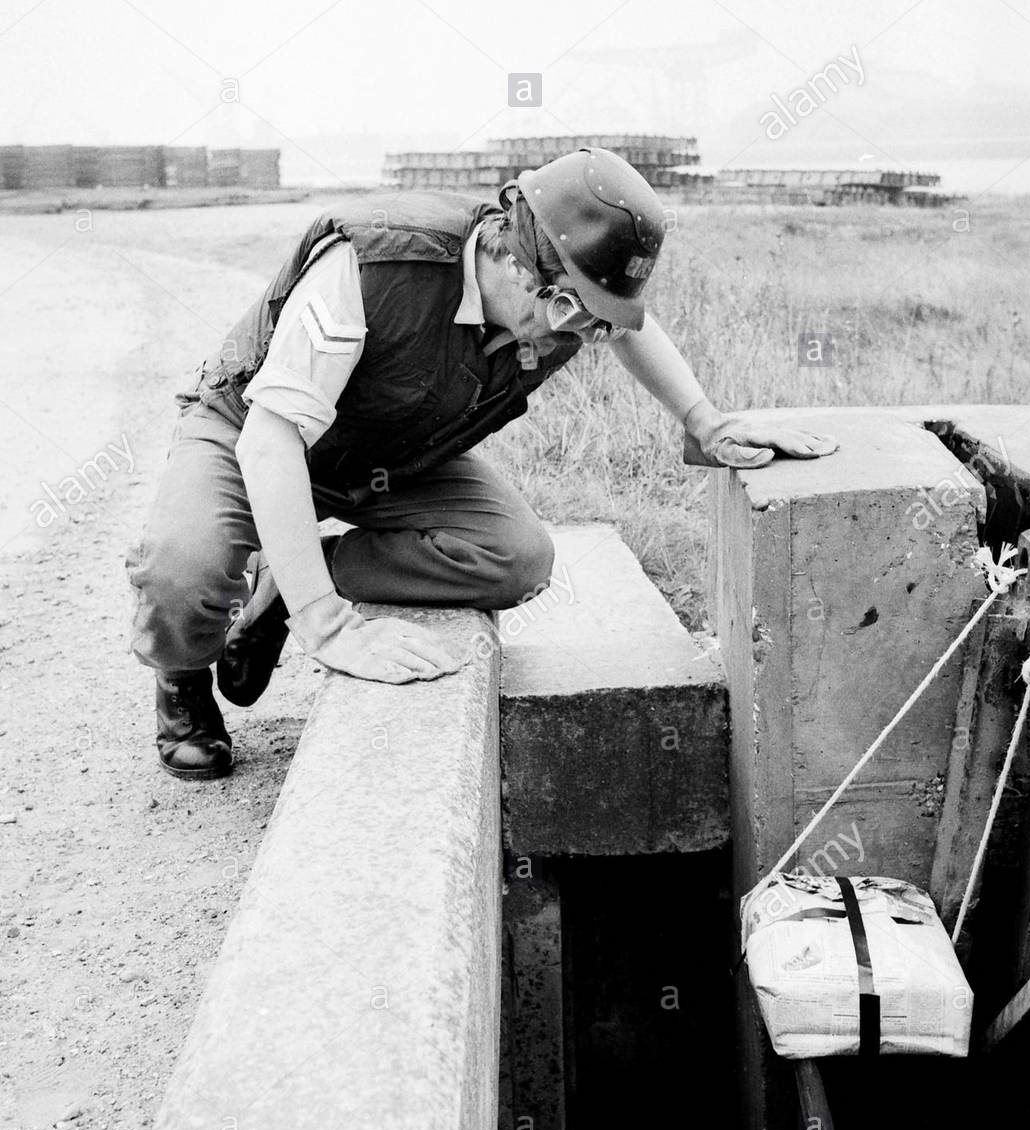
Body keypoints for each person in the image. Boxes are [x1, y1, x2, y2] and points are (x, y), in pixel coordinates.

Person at [126, 147, 838, 780]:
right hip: (252, 431)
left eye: (592, 318)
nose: (585, 335)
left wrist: (704, 423)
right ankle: (184, 680)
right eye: (576, 312)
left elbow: (631, 328)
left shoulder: (561, 307)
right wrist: (331, 626)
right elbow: (270, 442)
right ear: (520, 264)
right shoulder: (373, 265)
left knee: (514, 557)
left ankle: (285, 581)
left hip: (392, 455)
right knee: (182, 569)